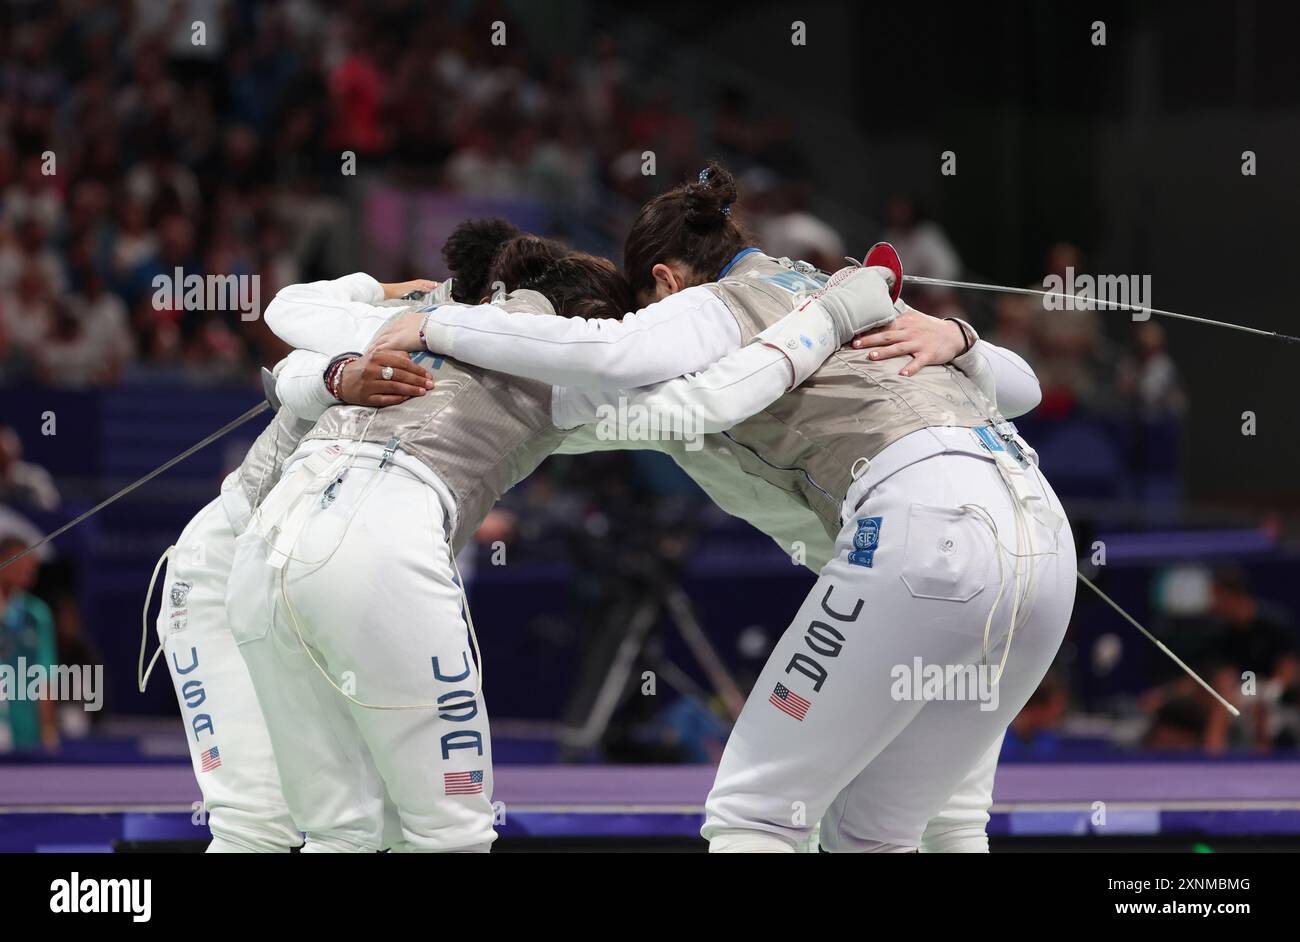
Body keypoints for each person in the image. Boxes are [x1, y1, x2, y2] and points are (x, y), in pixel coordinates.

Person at [377, 163, 1072, 853]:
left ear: (665, 281)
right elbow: (1024, 389)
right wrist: (965, 342)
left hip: (926, 539)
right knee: (909, 826)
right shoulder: (844, 291)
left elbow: (608, 354)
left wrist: (436, 327)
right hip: (1043, 540)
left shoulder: (711, 306)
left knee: (756, 815)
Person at [231, 234, 900, 853]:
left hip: (261, 557)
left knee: (340, 831)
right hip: (374, 554)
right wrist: (834, 314)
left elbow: (292, 315)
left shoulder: (407, 321)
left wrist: (335, 366)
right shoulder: (563, 374)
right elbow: (707, 404)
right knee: (451, 832)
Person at [145, 267, 438, 852]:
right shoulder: (387, 328)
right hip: (225, 569)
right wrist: (358, 340)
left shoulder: (521, 374)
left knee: (385, 824)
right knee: (255, 822)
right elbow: (288, 367)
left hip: (329, 591)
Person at [0, 534, 59, 753]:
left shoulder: (37, 615)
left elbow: (45, 676)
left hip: (23, 731)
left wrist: (48, 730)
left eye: (32, 564)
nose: (30, 568)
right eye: (21, 561)